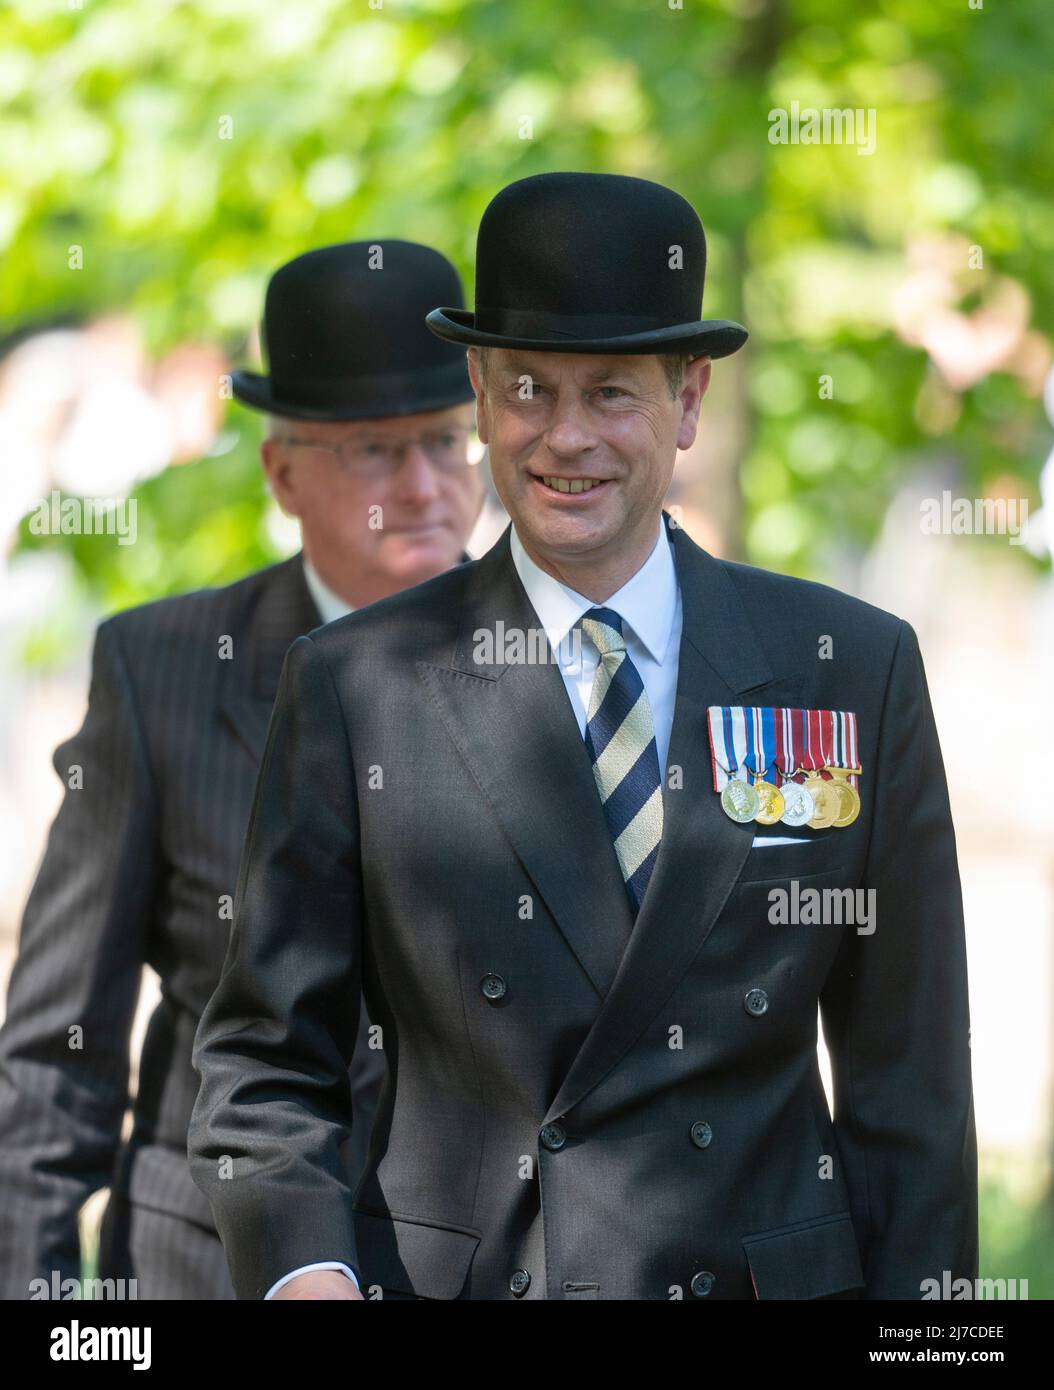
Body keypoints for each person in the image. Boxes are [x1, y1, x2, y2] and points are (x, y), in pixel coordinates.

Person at [189, 173, 978, 1301]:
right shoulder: (357, 683)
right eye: (527, 388)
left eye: (611, 392)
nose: (565, 437)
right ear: (478, 389)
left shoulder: (849, 667)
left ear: (690, 400)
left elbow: (912, 1084)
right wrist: (304, 1272)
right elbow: (267, 1060)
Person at [0, 239, 483, 1299]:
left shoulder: (545, 664)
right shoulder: (160, 671)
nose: (422, 487)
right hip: (203, 1269)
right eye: (372, 451)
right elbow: (53, 1050)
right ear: (281, 471)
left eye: (448, 441)